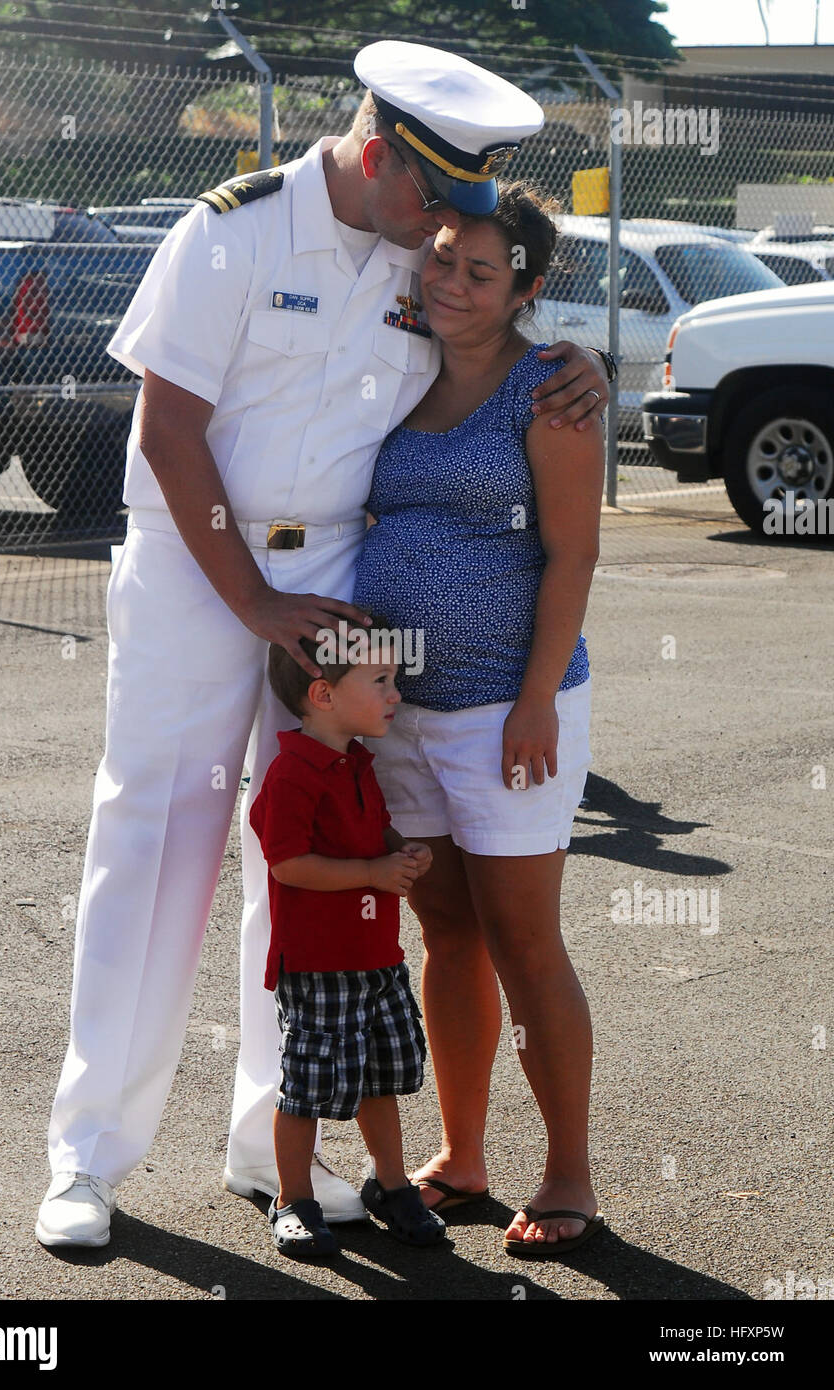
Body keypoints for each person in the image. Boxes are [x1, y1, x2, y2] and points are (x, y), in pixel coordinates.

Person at [36, 38, 614, 1249]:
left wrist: (581, 365)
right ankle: (89, 1157)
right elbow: (169, 428)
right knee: (159, 840)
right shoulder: (232, 230)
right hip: (207, 569)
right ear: (374, 148)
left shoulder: (424, 249)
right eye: (429, 194)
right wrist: (249, 597)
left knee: (307, 851)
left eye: (458, 207)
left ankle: (270, 1140)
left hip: (338, 570)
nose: (436, 227)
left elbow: (493, 342)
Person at [352, 179, 606, 1257]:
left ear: (525, 293)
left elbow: (573, 552)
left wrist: (535, 699)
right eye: (444, 257)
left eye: (481, 272)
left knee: (523, 938)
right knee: (444, 929)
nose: (451, 282)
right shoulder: (395, 354)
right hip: (400, 710)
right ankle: (463, 1159)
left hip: (511, 708)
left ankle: (569, 1176)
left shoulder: (550, 387)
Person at [249, 625, 445, 1258]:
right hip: (317, 965)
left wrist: (398, 852)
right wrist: (371, 874)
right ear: (323, 695)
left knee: (379, 1078)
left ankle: (390, 1187)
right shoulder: (291, 774)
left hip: (375, 958)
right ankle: (293, 1199)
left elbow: (372, 831)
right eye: (381, 681)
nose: (396, 692)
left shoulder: (358, 759)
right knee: (305, 1087)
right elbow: (288, 863)